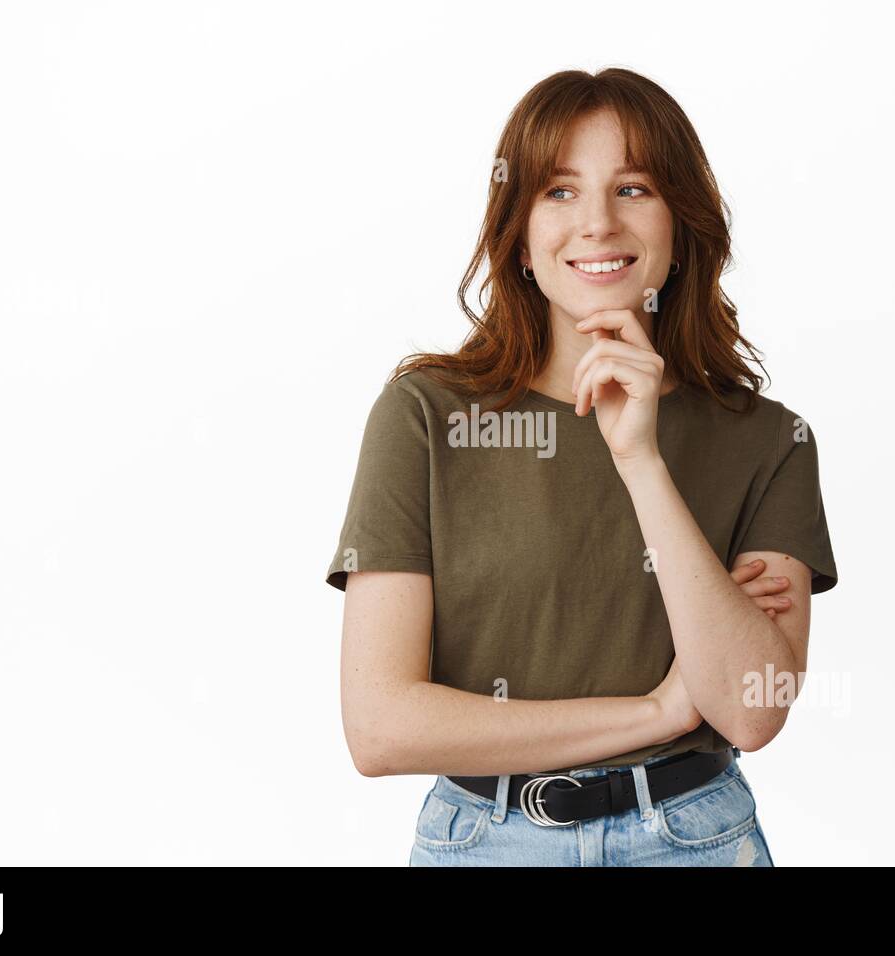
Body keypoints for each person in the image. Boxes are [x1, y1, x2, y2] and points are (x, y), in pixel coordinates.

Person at [325, 67, 839, 866]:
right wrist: (660, 711)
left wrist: (640, 459)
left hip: (694, 839)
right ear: (520, 235)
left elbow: (749, 710)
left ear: (680, 225)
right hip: (484, 843)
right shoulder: (424, 418)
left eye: (633, 189)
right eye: (560, 192)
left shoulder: (770, 441)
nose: (597, 223)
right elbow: (381, 728)